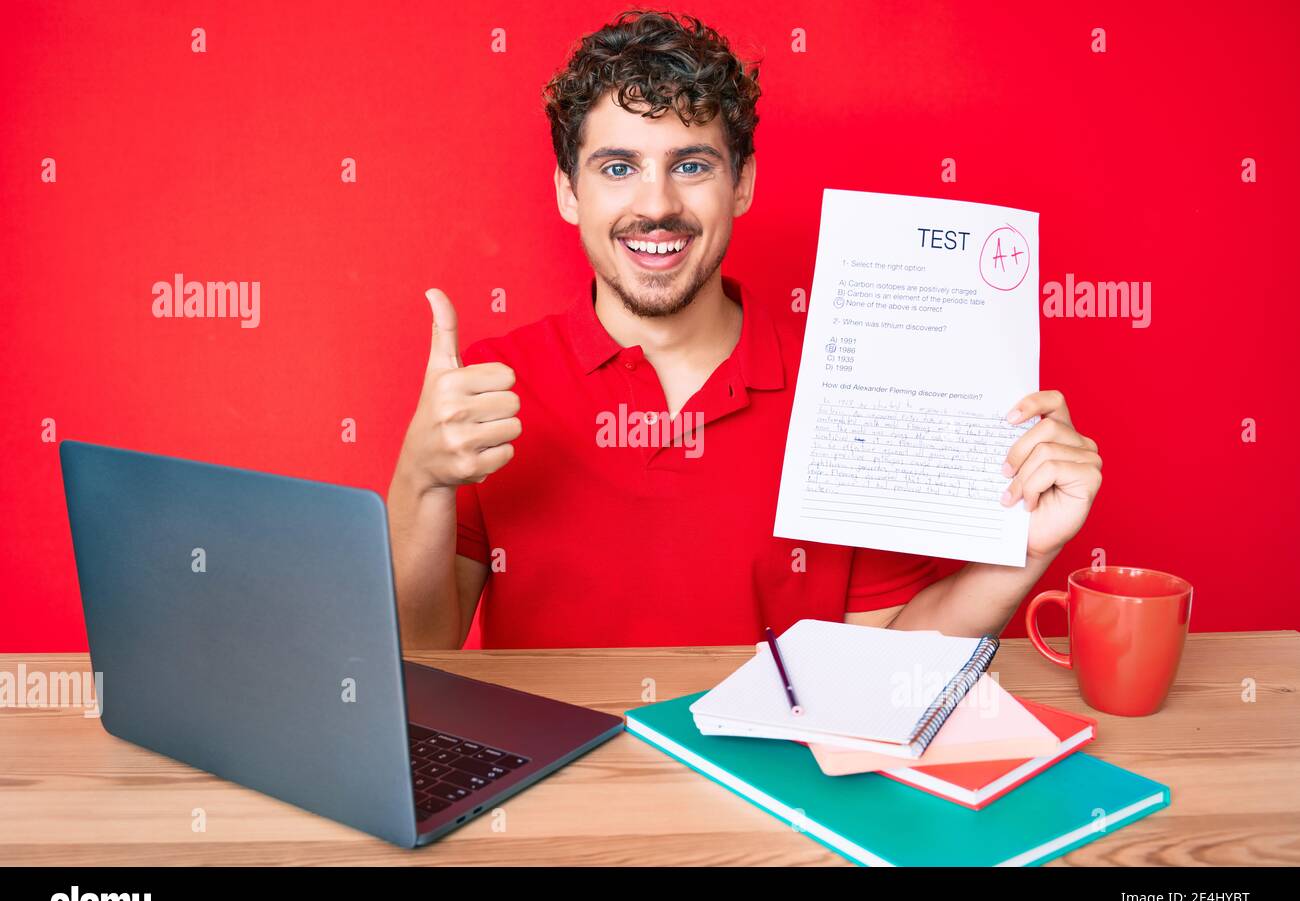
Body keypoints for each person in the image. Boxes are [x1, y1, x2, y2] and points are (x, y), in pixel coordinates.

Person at [387, 10, 1101, 651]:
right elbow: (425, 655)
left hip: (769, 790)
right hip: (563, 792)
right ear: (569, 193)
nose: (656, 205)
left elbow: (885, 658)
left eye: (691, 165)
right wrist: (420, 477)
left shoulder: (843, 385)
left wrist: (1024, 550)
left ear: (743, 184)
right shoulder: (492, 388)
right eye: (618, 167)